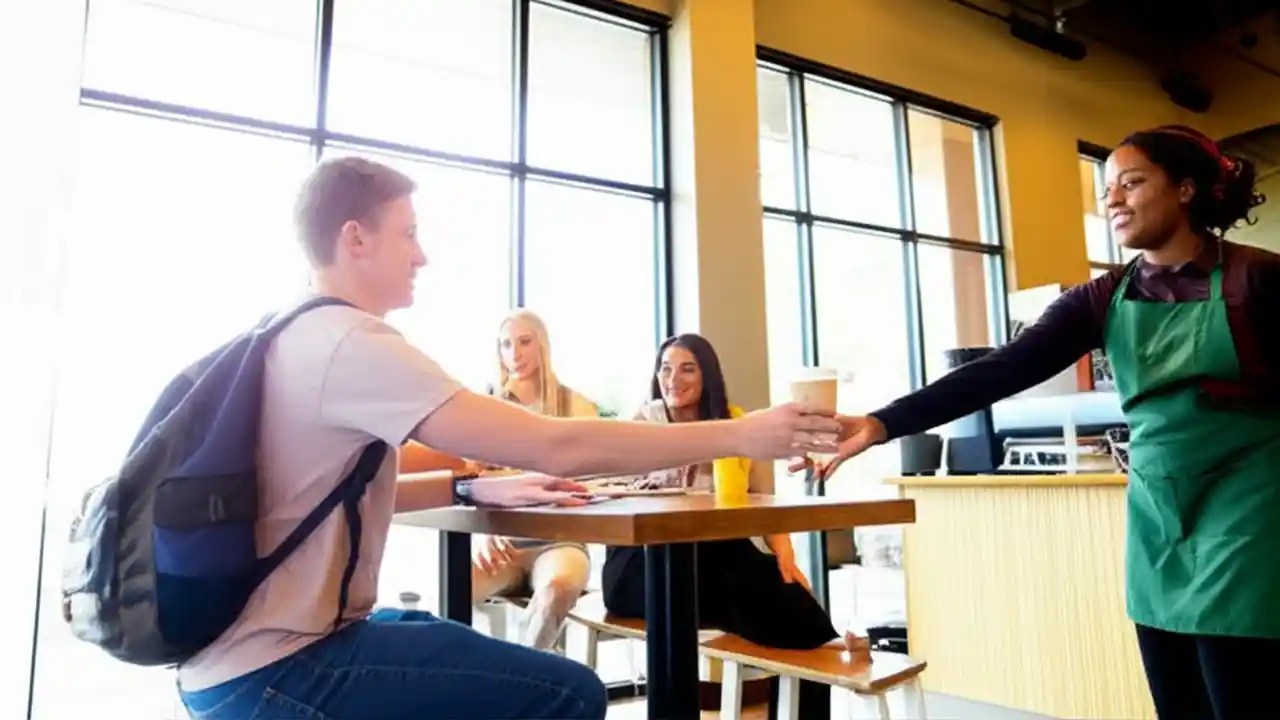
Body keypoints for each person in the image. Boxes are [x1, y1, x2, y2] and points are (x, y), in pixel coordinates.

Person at [174, 157, 842, 720]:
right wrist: (745, 432)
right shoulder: (351, 342)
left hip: (232, 658)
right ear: (355, 239)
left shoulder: (286, 332)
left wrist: (468, 484)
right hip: (280, 670)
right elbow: (559, 446)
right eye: (408, 234)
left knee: (428, 629)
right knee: (569, 692)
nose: (422, 254)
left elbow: (335, 493)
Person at [812, 125, 1278, 720]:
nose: (1113, 200)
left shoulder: (1257, 279)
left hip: (1251, 522)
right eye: (1107, 189)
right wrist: (881, 423)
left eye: (1132, 183)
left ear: (1186, 189)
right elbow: (1000, 370)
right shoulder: (1103, 297)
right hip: (1159, 525)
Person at [603, 333, 856, 720]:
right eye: (665, 368)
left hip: (713, 557)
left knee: (802, 620)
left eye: (687, 368)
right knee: (744, 580)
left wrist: (783, 554)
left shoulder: (736, 425)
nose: (673, 378)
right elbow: (612, 488)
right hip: (642, 566)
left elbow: (763, 500)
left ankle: (817, 659)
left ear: (708, 376)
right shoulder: (645, 422)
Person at [471, 309, 598, 650]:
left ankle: (527, 689)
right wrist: (483, 533)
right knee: (446, 587)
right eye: (506, 344)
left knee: (556, 592)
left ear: (542, 344)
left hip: (561, 541)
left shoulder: (578, 407)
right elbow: (471, 482)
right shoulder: (484, 409)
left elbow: (593, 483)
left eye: (524, 341)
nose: (515, 353)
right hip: (503, 543)